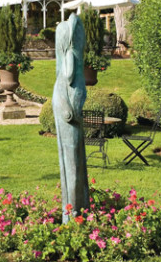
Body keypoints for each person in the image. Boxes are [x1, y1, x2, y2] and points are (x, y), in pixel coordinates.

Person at [52, 13, 89, 223]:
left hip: (63, 102)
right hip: (68, 108)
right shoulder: (71, 54)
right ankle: (74, 210)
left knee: (74, 160)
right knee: (73, 161)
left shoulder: (68, 52)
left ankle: (78, 207)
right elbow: (68, 74)